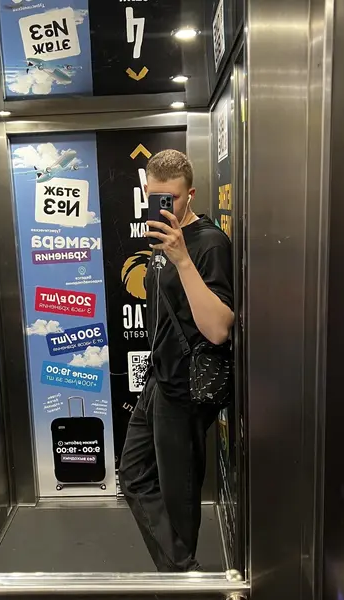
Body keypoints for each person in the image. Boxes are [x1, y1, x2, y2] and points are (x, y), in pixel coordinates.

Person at [119, 149, 234, 572]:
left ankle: (185, 587)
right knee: (133, 473)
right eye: (156, 199)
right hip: (159, 381)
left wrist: (183, 259)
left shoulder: (209, 244)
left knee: (179, 503)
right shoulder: (160, 240)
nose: (164, 208)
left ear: (191, 195)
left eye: (173, 199)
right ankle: (182, 572)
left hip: (186, 391)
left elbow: (219, 329)